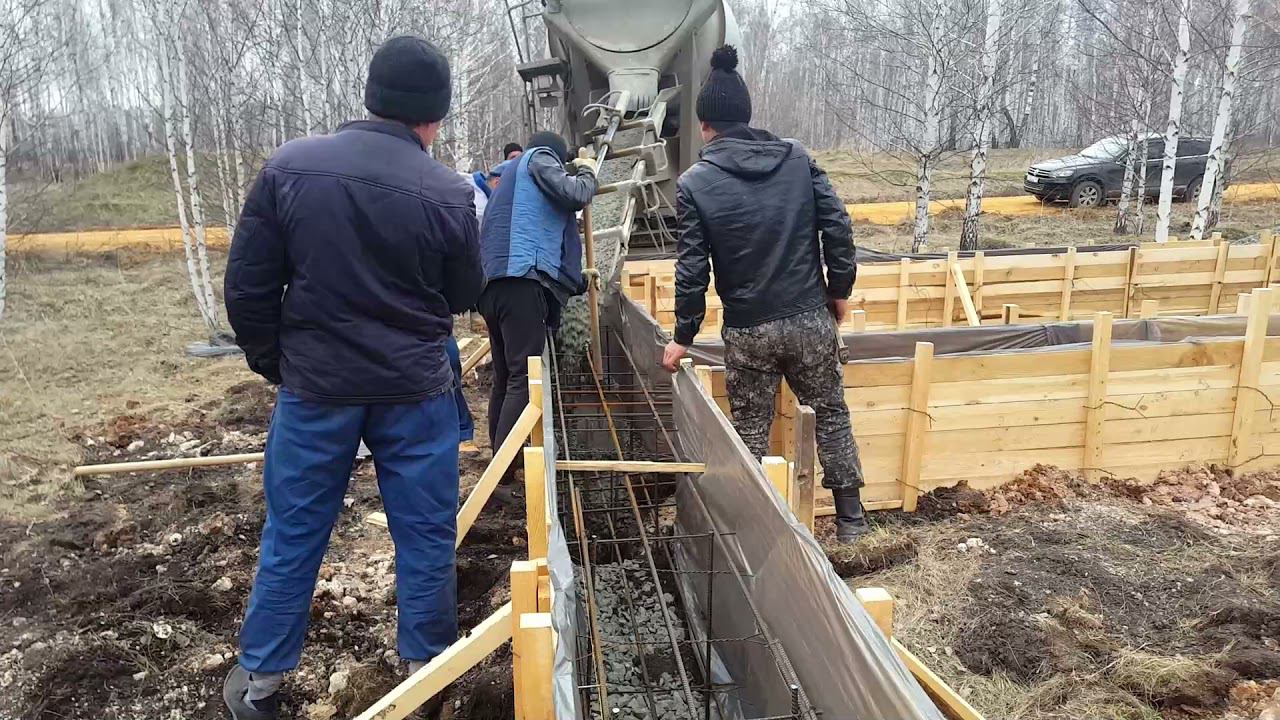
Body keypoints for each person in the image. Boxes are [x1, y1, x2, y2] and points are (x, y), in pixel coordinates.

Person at [221, 35, 482, 720]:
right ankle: (424, 671)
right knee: (425, 532)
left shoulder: (290, 167)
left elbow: (248, 287)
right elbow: (462, 291)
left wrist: (279, 363)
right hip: (416, 391)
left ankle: (259, 684)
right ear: (433, 116)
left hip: (317, 388)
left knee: (296, 529)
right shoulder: (448, 191)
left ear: (369, 96)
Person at [659, 46, 867, 543]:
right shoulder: (797, 158)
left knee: (750, 429)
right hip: (807, 317)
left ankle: (751, 532)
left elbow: (692, 268)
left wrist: (683, 335)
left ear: (705, 125)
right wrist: (839, 291)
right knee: (832, 414)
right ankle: (854, 524)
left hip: (749, 329)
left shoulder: (695, 182)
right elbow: (837, 225)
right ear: (747, 115)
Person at [477, 131, 597, 457]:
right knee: (523, 379)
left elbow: (533, 233)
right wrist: (586, 170)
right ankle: (504, 468)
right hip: (521, 284)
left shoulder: (509, 180)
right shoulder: (539, 158)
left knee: (505, 377)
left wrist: (580, 281)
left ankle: (500, 466)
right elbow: (577, 194)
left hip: (494, 287)